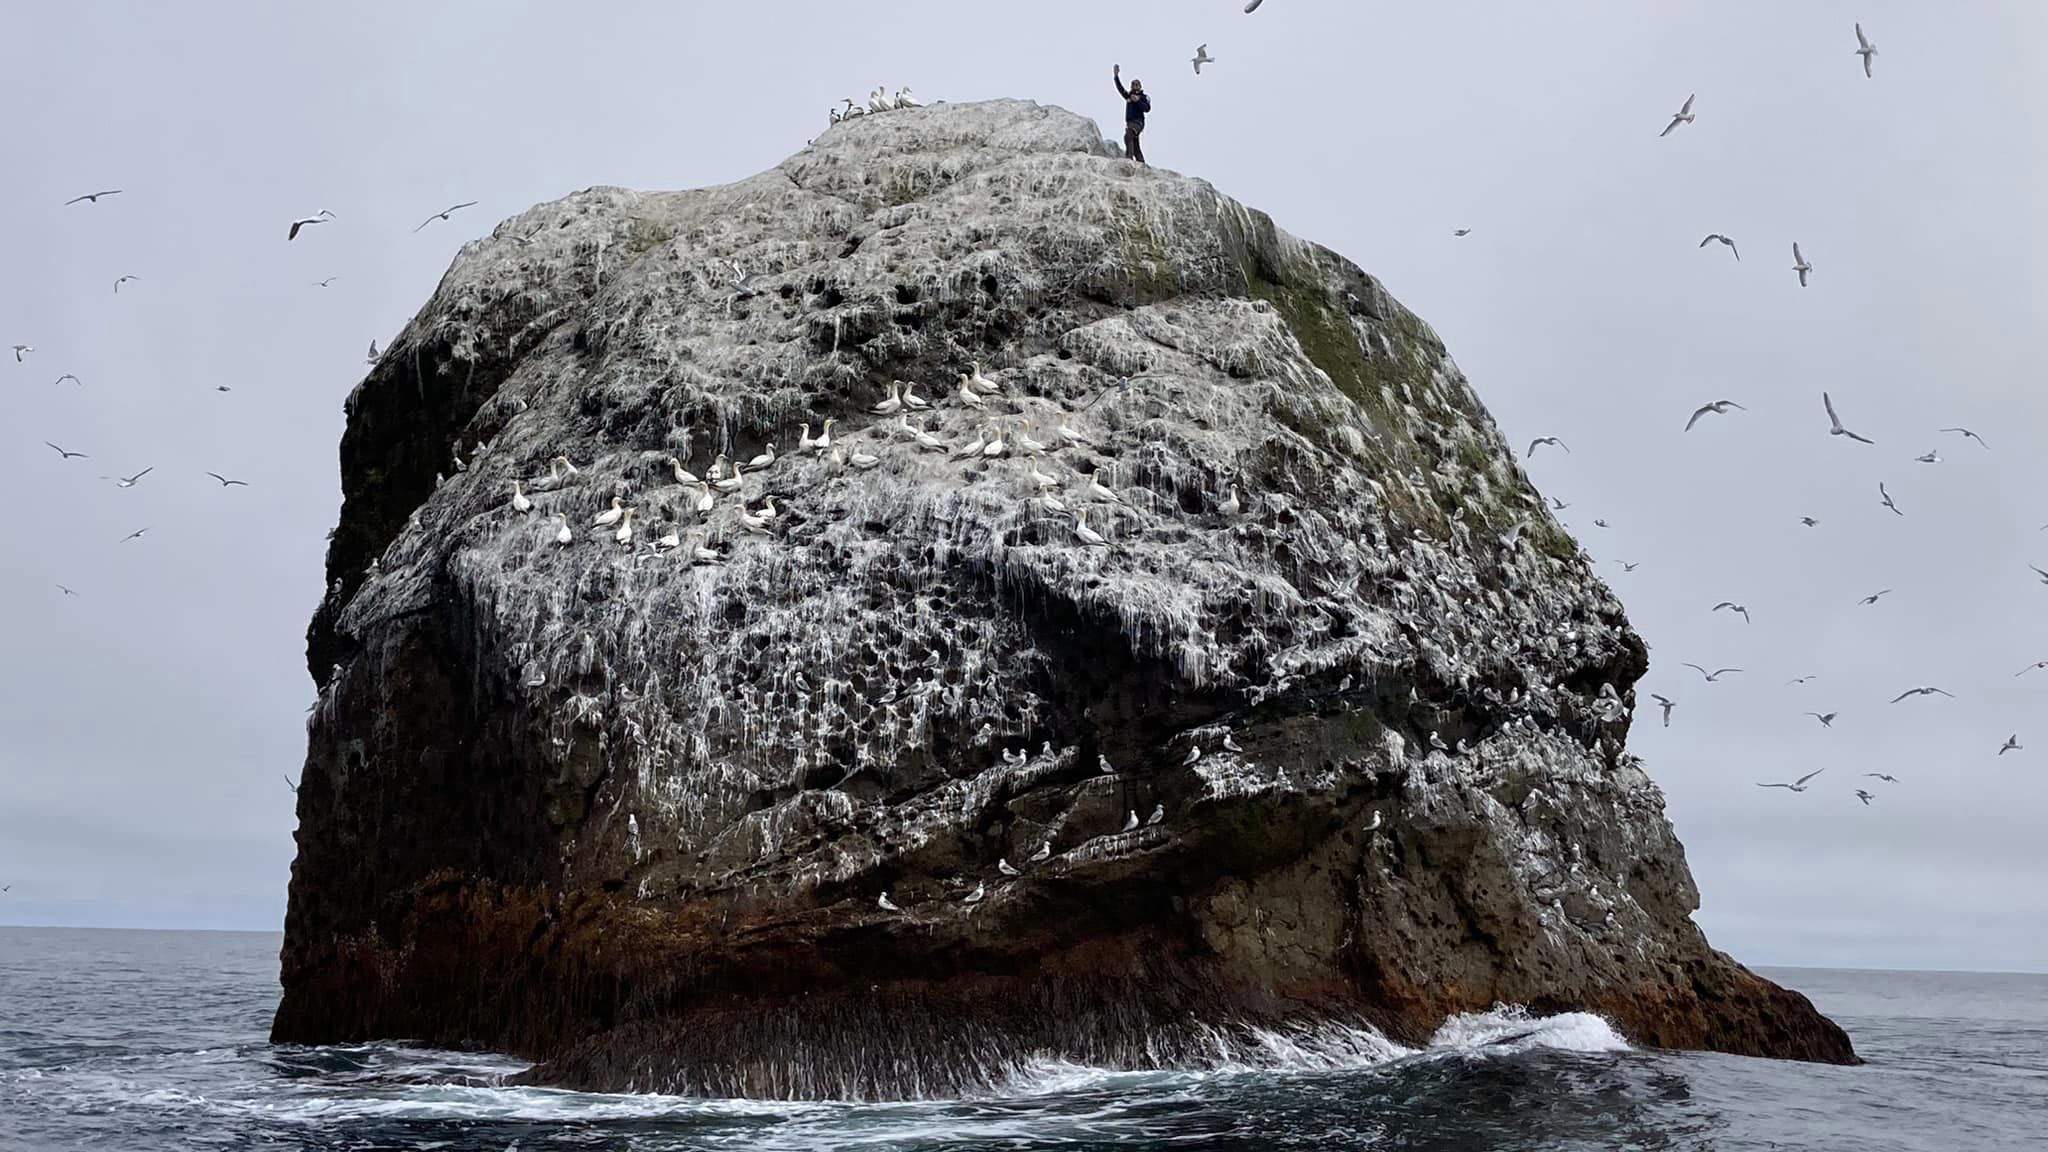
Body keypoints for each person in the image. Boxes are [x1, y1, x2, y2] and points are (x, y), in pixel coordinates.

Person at [1113, 64, 1150, 164]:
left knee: (1128, 135)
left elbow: (1147, 108)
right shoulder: (1129, 96)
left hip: (1138, 122)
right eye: (1133, 85)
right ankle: (1141, 163)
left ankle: (1129, 158)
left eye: (1137, 85)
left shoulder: (1143, 97)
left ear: (1140, 86)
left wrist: (1138, 100)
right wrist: (1116, 76)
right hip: (1130, 122)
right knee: (1135, 143)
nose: (1135, 87)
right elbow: (1120, 89)